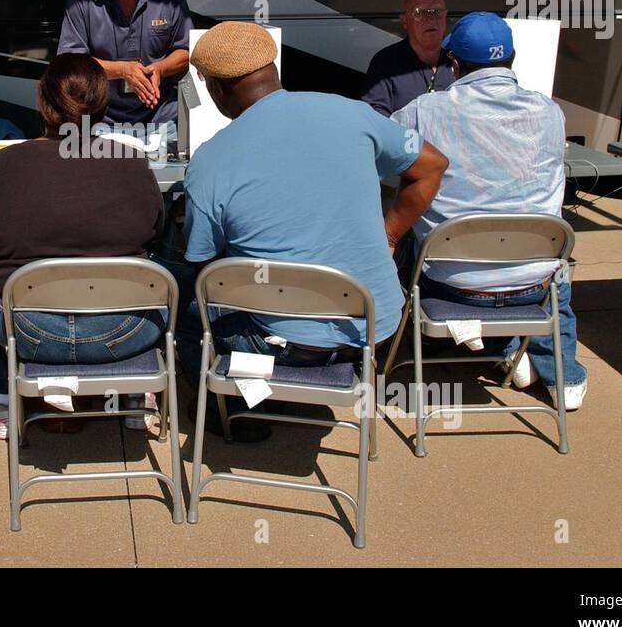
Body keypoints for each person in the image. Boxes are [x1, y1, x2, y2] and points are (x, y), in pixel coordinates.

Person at [174, 22, 448, 440]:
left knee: (186, 302)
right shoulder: (353, 112)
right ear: (272, 67)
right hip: (371, 328)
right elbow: (432, 164)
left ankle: (233, 413)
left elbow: (206, 268)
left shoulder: (210, 162)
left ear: (216, 89)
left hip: (276, 339)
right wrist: (390, 234)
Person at [390, 12, 587, 410]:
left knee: (407, 227)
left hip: (449, 282)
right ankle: (562, 378)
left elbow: (380, 151)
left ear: (455, 64)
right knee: (556, 268)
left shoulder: (423, 111)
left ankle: (403, 346)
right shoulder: (550, 113)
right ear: (512, 60)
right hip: (532, 283)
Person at [0, 54, 168, 439]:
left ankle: (3, 399)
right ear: (103, 105)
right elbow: (154, 236)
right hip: (124, 333)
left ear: (43, 104)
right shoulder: (133, 162)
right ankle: (136, 395)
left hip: (28, 331)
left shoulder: (1, 164)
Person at [57, 0, 190, 126]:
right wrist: (121, 70)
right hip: (101, 119)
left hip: (163, 119)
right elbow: (70, 64)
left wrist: (161, 69)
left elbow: (187, 51)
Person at [361, 0, 456, 116]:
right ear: (404, 21)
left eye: (437, 12)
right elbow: (375, 117)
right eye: (420, 12)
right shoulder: (385, 61)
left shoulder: (460, 58)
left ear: (446, 16)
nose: (431, 19)